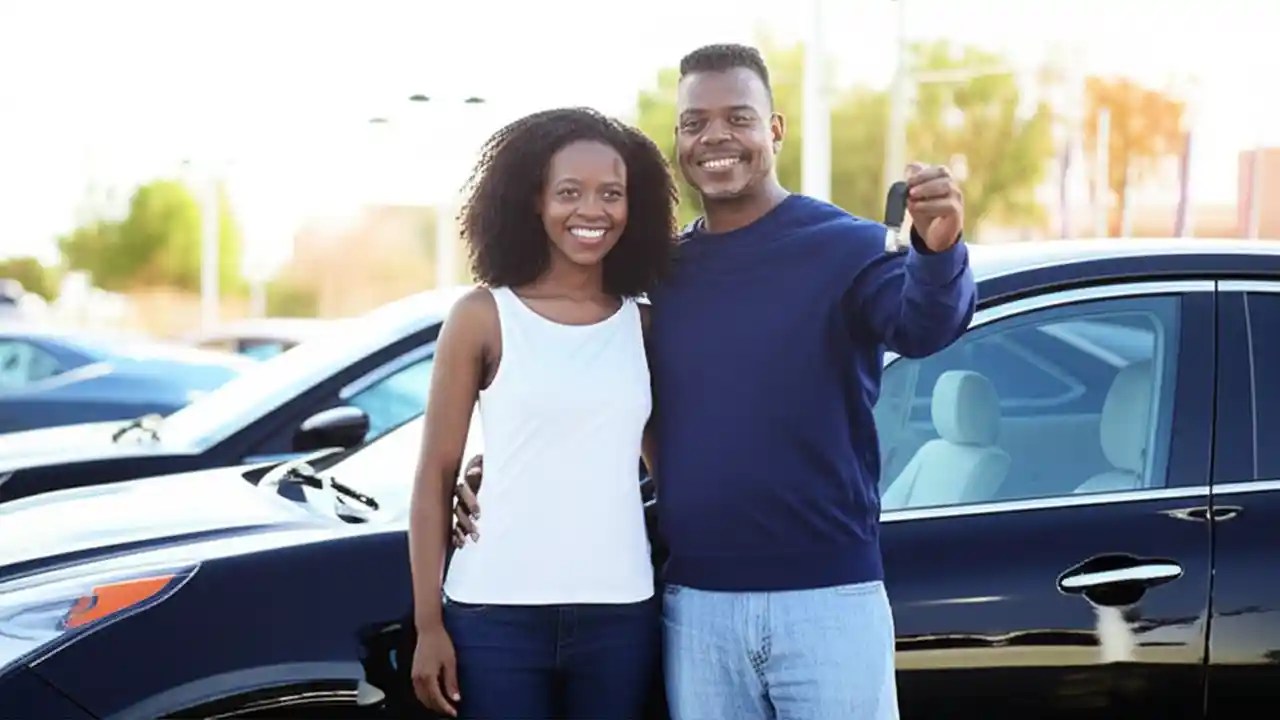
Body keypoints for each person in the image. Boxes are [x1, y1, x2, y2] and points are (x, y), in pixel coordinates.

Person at [453, 43, 976, 720]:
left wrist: (939, 250)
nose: (715, 137)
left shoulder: (844, 247)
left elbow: (925, 327)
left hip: (829, 604)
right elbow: (603, 398)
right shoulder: (662, 275)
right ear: (678, 139)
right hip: (693, 609)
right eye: (695, 122)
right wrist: (509, 466)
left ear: (775, 129)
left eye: (738, 117)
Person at [407, 106, 678, 719]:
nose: (592, 210)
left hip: (621, 612)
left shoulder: (645, 325)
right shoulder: (481, 316)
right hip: (492, 615)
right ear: (534, 201)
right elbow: (434, 475)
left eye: (612, 193)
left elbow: (671, 469)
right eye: (569, 192)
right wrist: (429, 624)